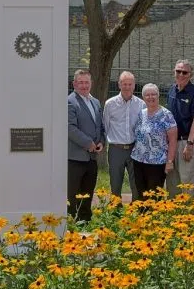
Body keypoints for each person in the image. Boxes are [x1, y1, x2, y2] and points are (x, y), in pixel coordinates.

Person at [66, 69, 105, 221]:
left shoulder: (95, 102)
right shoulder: (70, 101)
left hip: (92, 158)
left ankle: (85, 224)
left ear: (91, 83)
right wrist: (88, 143)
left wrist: (101, 141)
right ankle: (71, 225)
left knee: (87, 195)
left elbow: (99, 125)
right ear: (74, 83)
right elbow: (69, 128)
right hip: (75, 158)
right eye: (80, 82)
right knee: (73, 196)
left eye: (86, 82)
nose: (84, 85)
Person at [130, 84, 177, 201]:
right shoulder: (142, 113)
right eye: (147, 95)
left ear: (158, 95)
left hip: (157, 162)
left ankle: (153, 218)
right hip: (138, 159)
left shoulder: (166, 115)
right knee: (141, 193)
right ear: (143, 97)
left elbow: (172, 140)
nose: (150, 97)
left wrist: (170, 161)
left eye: (153, 94)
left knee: (154, 195)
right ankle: (142, 218)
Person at [103, 71, 145, 201]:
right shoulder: (110, 104)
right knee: (115, 183)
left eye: (130, 84)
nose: (127, 87)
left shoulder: (141, 104)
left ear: (134, 85)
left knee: (136, 183)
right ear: (119, 85)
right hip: (116, 148)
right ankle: (115, 210)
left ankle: (136, 210)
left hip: (134, 148)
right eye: (124, 84)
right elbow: (105, 126)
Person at [165, 59, 194, 197]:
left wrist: (190, 144)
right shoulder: (171, 90)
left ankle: (189, 216)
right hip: (171, 144)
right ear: (173, 72)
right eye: (178, 71)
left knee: (188, 183)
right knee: (172, 182)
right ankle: (174, 215)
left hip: (186, 143)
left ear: (190, 75)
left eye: (184, 72)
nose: (181, 74)